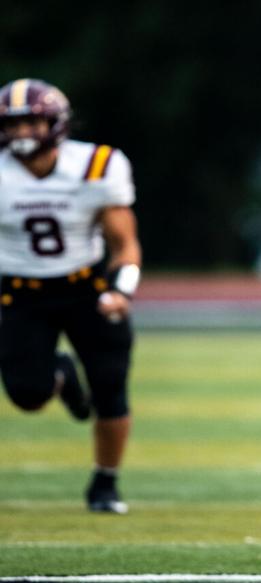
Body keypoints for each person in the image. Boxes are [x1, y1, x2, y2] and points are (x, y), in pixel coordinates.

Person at [0, 78, 141, 514]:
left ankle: (105, 483)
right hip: (20, 290)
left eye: (31, 122)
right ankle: (60, 374)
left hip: (86, 287)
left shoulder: (96, 164)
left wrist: (122, 290)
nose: (21, 133)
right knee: (26, 393)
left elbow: (124, 244)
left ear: (55, 123)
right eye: (12, 124)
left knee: (110, 388)